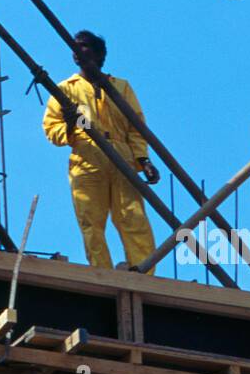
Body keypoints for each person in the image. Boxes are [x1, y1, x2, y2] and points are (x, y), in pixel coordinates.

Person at [42, 30, 161, 270]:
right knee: (91, 220)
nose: (78, 50)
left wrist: (143, 160)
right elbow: (51, 130)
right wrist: (70, 124)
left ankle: (144, 272)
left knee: (133, 217)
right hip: (87, 156)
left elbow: (136, 127)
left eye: (84, 46)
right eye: (75, 47)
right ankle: (102, 270)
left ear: (98, 53)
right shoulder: (65, 89)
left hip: (121, 156)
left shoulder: (120, 87)